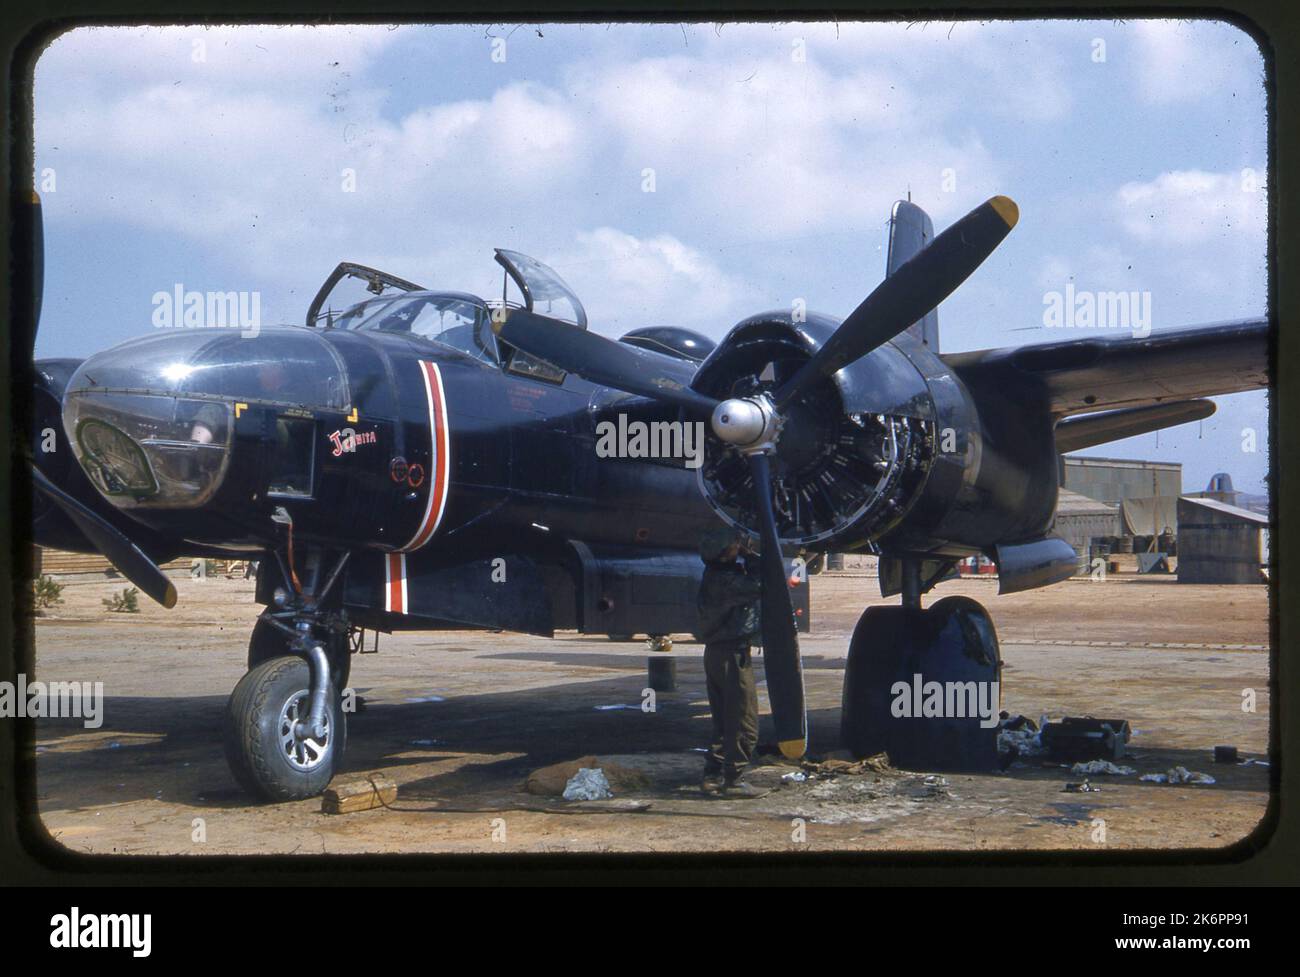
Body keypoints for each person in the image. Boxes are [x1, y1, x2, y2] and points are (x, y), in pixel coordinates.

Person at [696, 527, 765, 798]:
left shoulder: (716, 576)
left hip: (718, 654)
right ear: (725, 553)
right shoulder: (728, 583)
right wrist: (752, 556)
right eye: (735, 546)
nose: (740, 548)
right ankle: (734, 781)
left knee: (724, 719)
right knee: (742, 720)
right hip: (732, 656)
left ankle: (712, 775)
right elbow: (763, 583)